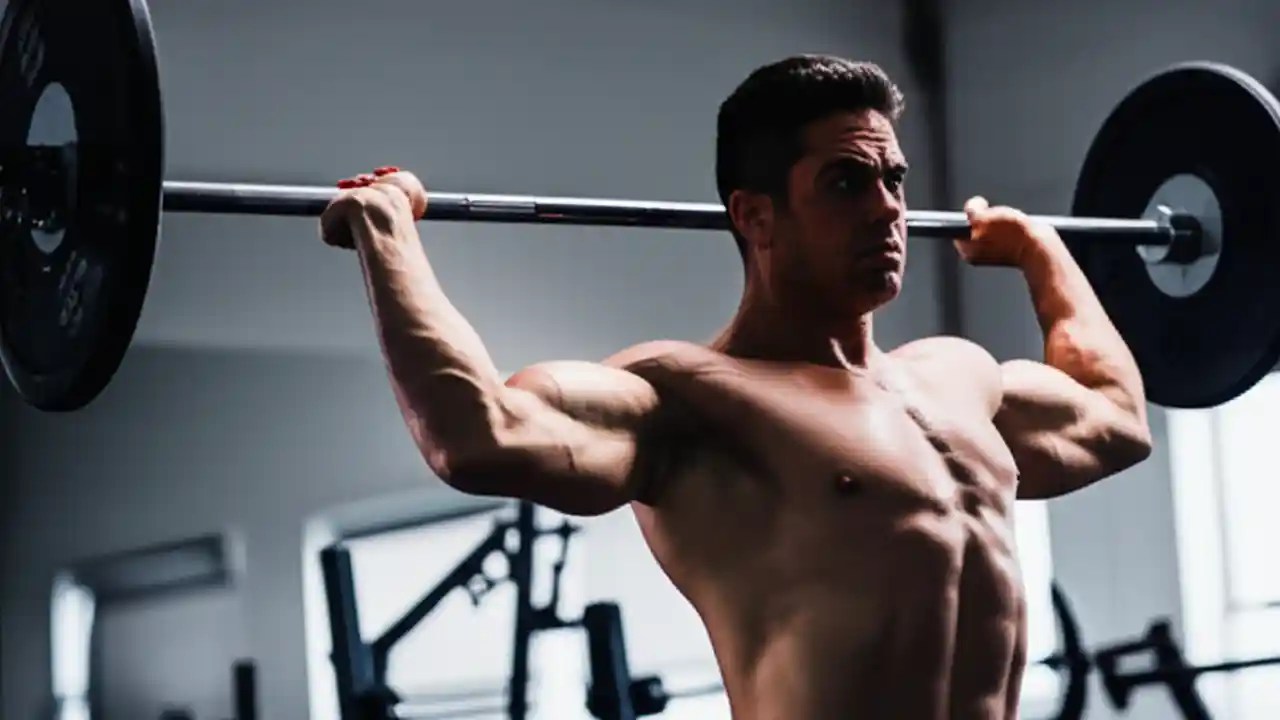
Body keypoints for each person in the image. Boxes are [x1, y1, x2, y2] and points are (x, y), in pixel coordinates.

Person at [320, 55, 1152, 720]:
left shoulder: (959, 379)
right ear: (754, 216)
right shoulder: (692, 398)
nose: (886, 209)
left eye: (894, 180)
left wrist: (1043, 253)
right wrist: (387, 235)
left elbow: (1116, 419)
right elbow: (478, 434)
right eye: (845, 182)